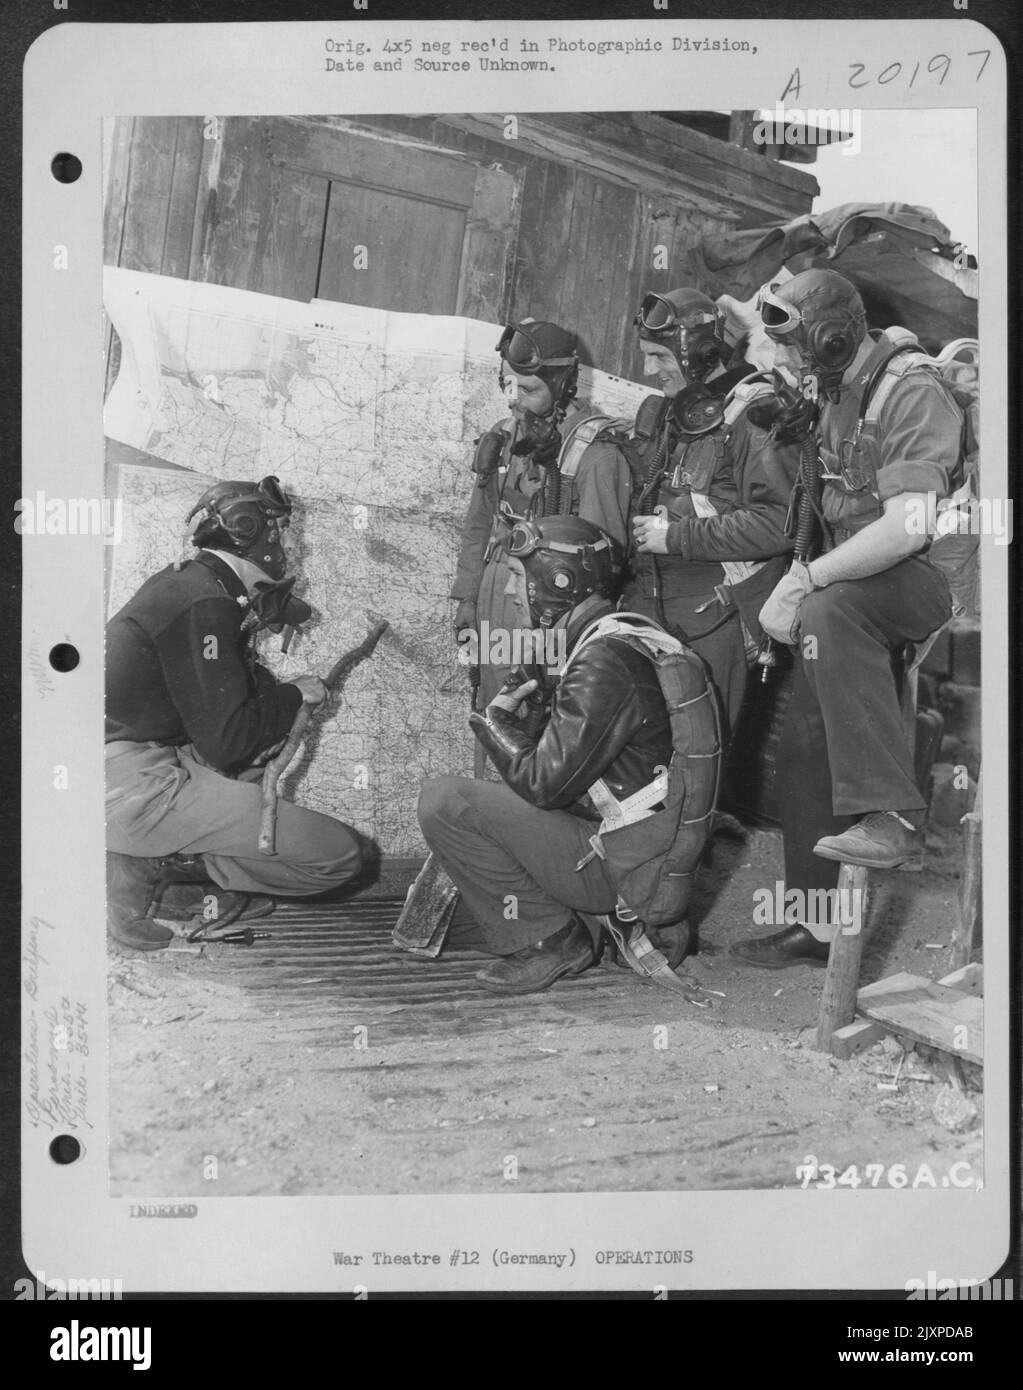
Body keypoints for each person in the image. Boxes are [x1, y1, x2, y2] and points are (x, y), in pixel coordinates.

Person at [730, 269, 964, 968]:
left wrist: (807, 579)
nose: (788, 365)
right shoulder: (834, 388)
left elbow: (908, 527)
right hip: (858, 577)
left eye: (795, 350)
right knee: (805, 741)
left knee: (826, 609)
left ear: (832, 339)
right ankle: (814, 924)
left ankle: (890, 814)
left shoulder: (911, 391)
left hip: (926, 578)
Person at [419, 515, 717, 995]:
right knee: (460, 922)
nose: (514, 592)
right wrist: (534, 725)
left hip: (617, 866)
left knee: (446, 801)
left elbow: (543, 785)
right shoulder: (616, 638)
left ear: (559, 581)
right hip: (632, 851)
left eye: (519, 578)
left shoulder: (603, 661)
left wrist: (498, 728)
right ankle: (591, 924)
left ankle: (555, 940)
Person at [106, 475, 362, 950]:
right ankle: (146, 869)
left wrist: (279, 693)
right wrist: (293, 697)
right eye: (280, 530)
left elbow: (217, 690)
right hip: (127, 781)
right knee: (340, 856)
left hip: (128, 758)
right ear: (250, 530)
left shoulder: (189, 582)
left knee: (257, 751)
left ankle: (155, 873)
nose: (288, 544)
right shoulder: (205, 602)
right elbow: (226, 741)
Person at [624, 287, 801, 743]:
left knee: (698, 763)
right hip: (650, 606)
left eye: (659, 357)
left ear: (700, 353)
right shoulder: (678, 412)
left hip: (712, 619)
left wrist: (680, 536)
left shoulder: (757, 413)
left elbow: (781, 522)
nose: (649, 370)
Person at [449, 320, 633, 716]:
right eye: (509, 385)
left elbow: (601, 568)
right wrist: (468, 597)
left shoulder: (596, 457)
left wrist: (559, 638)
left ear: (564, 386)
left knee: (538, 717)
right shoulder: (501, 439)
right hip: (495, 591)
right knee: (493, 709)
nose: (515, 400)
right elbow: (479, 523)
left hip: (549, 611)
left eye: (529, 389)